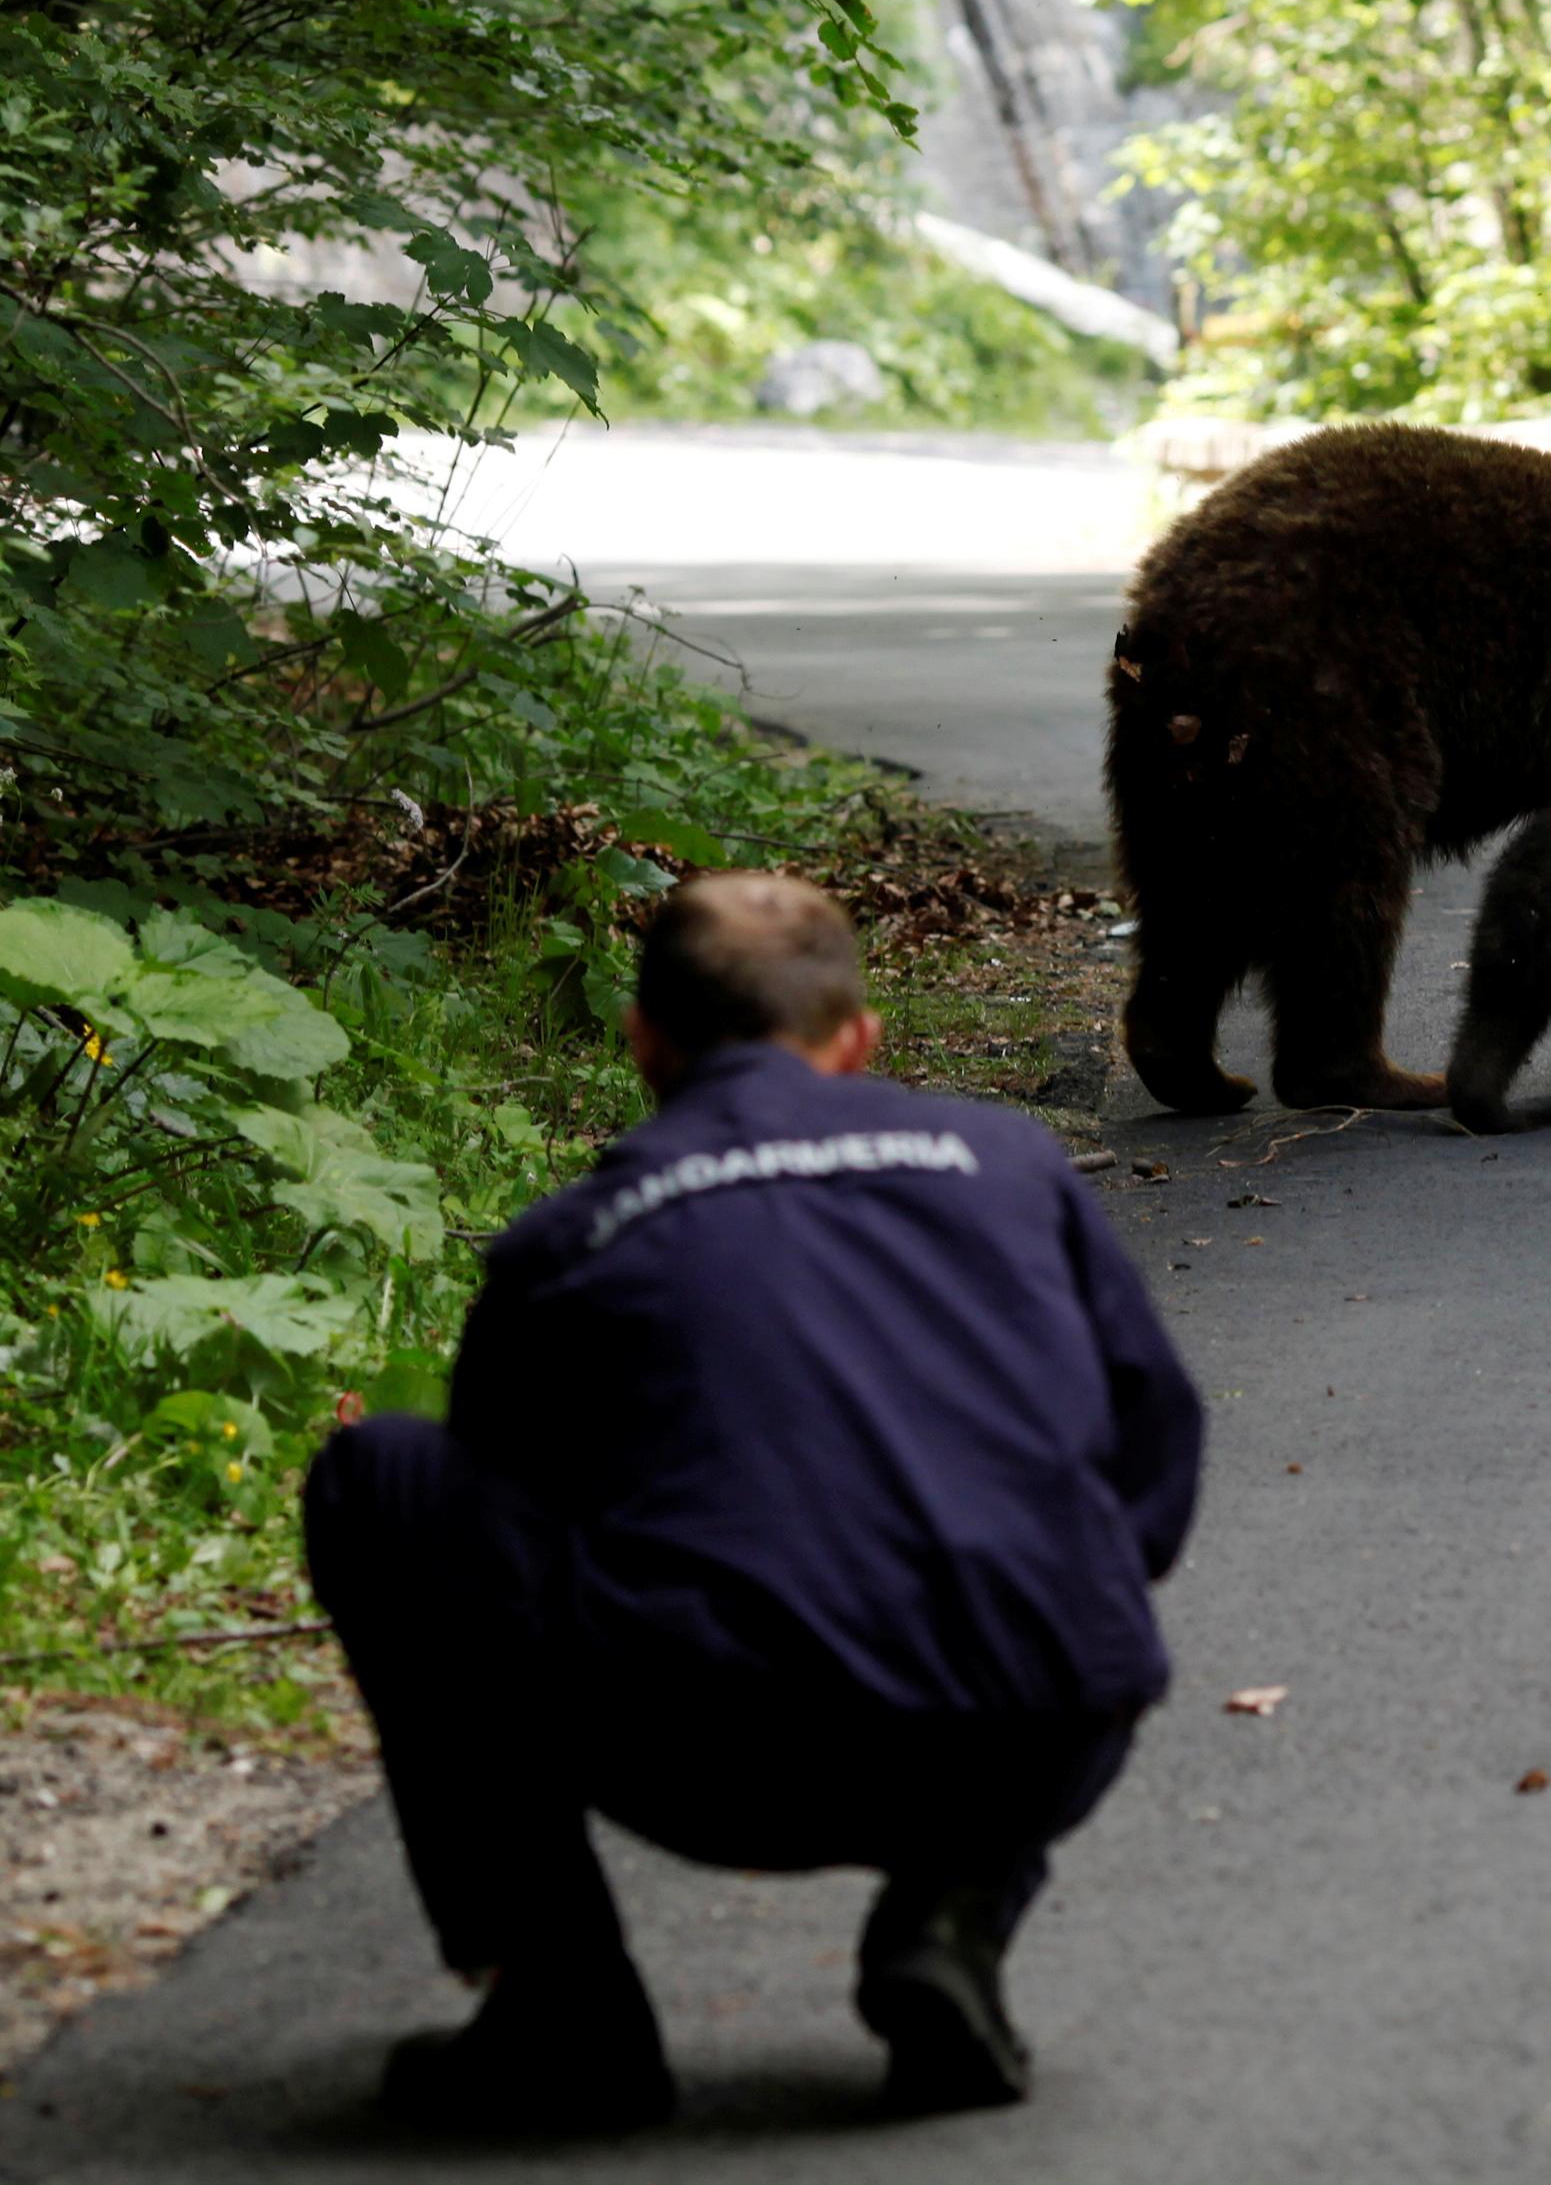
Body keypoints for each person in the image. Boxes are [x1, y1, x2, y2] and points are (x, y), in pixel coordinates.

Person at [302, 872, 1203, 2132]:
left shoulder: (566, 1241)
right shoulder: (1012, 1163)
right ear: (860, 1040)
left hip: (714, 1751)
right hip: (1032, 1728)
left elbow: (501, 1525)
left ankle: (562, 2011)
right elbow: (1158, 1447)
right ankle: (955, 1905)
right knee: (1028, 1578)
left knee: (386, 1478)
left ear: (643, 1043)